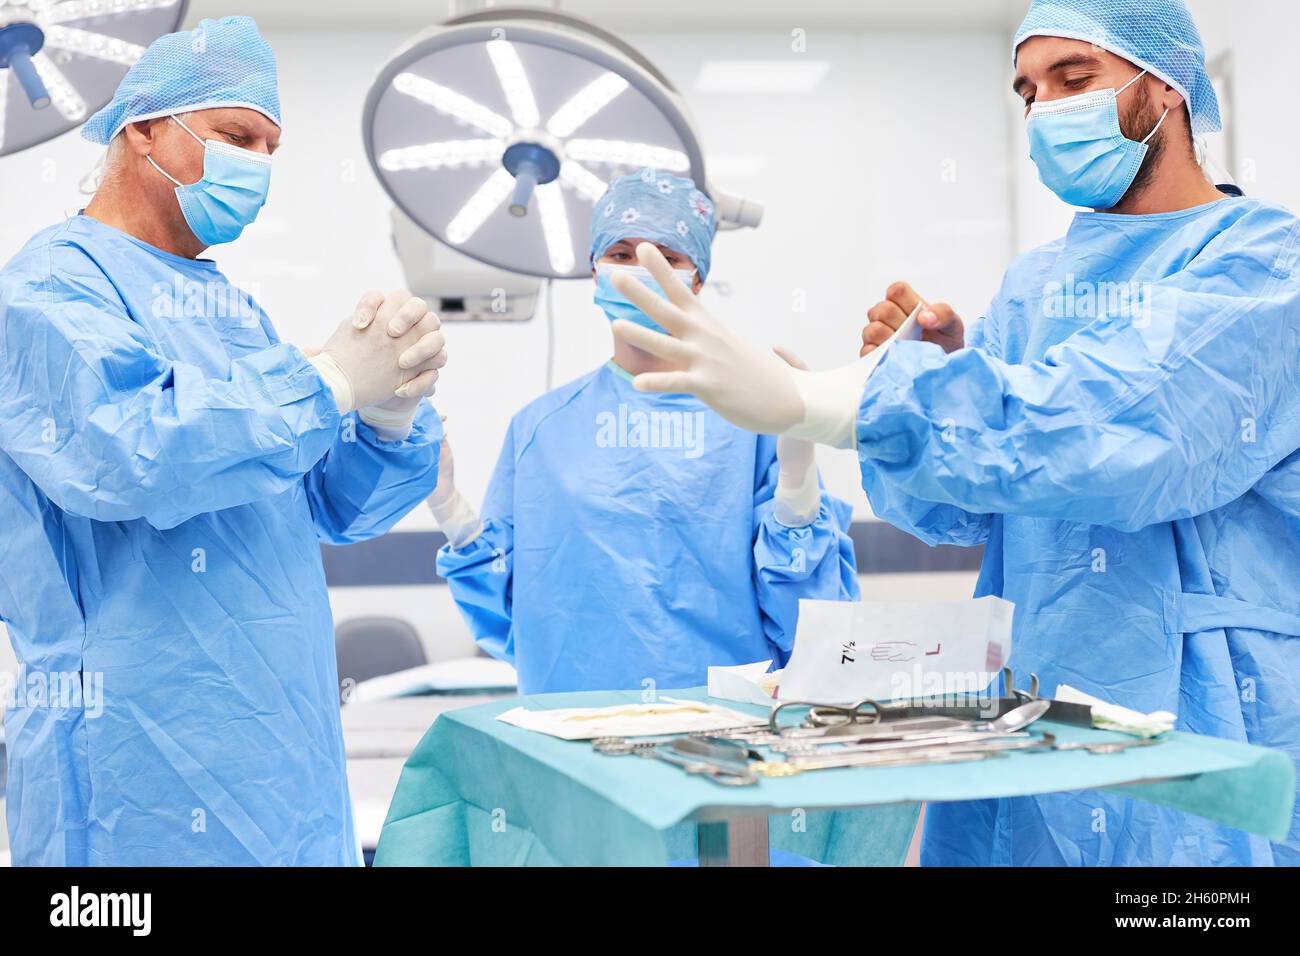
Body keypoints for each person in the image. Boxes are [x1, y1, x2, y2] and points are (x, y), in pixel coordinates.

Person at [608, 0, 1300, 866]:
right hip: (1027, 710)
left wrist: (838, 402)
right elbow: (962, 516)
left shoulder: (1268, 264)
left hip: (1202, 708)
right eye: (1027, 90)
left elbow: (1125, 433)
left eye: (1074, 78)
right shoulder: (1036, 287)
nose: (1045, 108)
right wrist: (931, 372)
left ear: (1165, 86)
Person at [0, 17, 447, 866]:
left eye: (271, 147)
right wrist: (325, 383)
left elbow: (324, 505)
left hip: (281, 763)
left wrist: (386, 419)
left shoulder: (228, 310)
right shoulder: (49, 287)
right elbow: (130, 457)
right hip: (133, 764)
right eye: (237, 135)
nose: (259, 166)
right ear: (144, 129)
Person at [427, 169, 859, 694]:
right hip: (576, 727)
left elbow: (812, 629)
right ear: (594, 270)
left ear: (696, 279)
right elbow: (517, 620)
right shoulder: (542, 429)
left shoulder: (752, 421)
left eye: (667, 259)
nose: (639, 272)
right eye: (622, 254)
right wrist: (451, 510)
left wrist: (796, 486)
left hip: (724, 728)